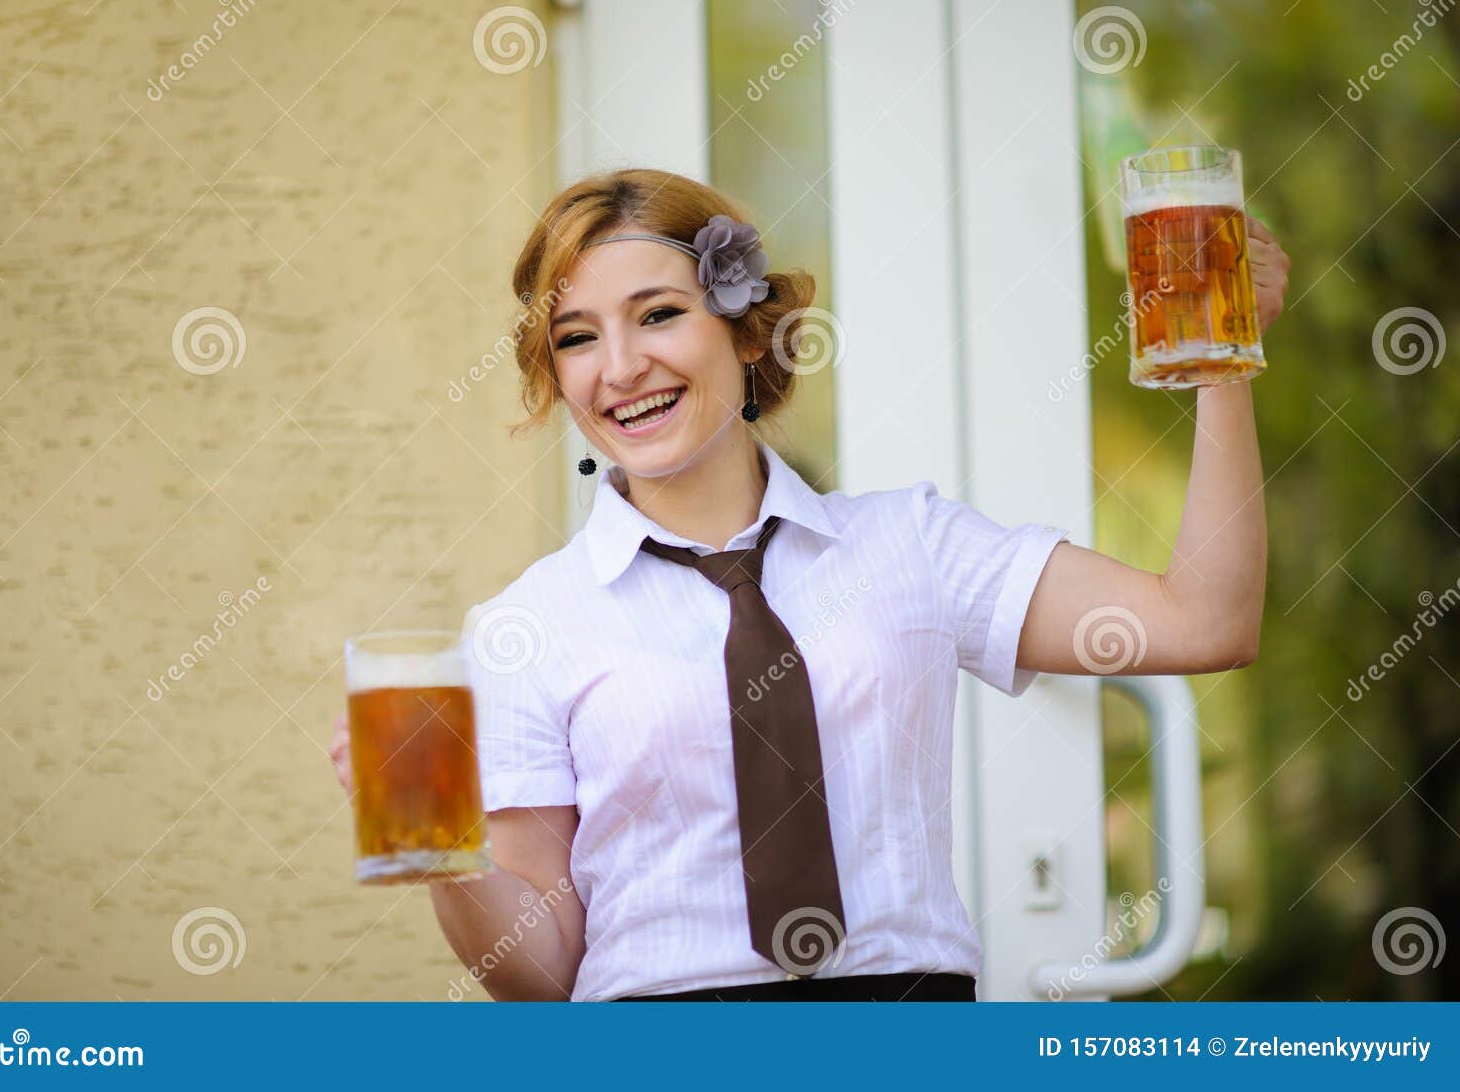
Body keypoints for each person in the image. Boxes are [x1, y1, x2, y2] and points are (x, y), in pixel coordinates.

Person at [329, 167, 1292, 1002]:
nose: (620, 368)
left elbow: (1203, 621)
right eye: (577, 338)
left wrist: (1221, 363)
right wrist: (443, 848)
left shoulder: (909, 544)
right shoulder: (527, 625)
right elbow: (541, 972)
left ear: (750, 334)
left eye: (659, 314)